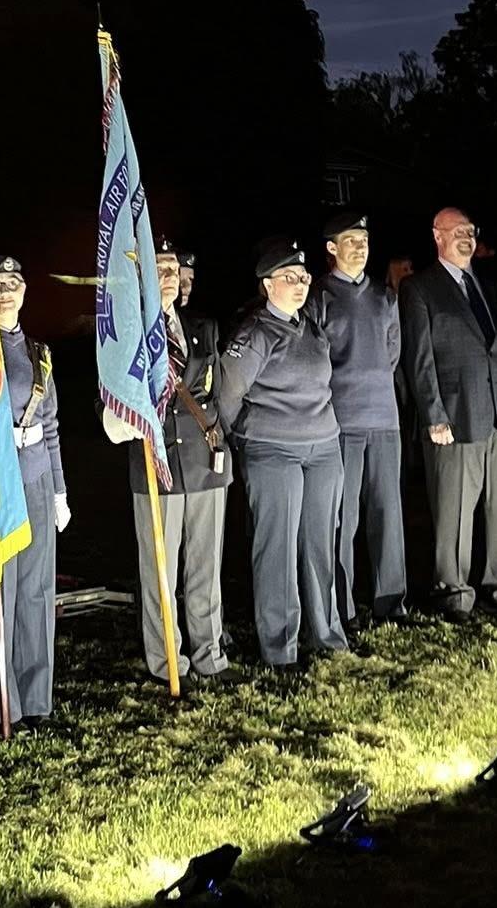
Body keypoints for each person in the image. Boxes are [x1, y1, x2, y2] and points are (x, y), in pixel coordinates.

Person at [401, 208, 497, 618]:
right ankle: (454, 591)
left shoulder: (495, 288)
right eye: (457, 231)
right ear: (437, 236)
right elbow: (419, 358)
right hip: (455, 416)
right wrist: (433, 413)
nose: (466, 237)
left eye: (470, 230)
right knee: (454, 512)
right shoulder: (420, 289)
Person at [220, 242, 347, 670]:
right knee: (277, 550)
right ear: (267, 285)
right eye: (290, 278)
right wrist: (246, 439)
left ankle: (327, 634)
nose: (300, 284)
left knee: (319, 545)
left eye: (304, 277)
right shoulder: (254, 333)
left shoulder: (309, 325)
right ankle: (280, 646)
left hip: (323, 447)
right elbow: (228, 395)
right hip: (273, 450)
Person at [131, 241, 232, 682]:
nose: (169, 275)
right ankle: (168, 660)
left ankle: (210, 655)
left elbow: (219, 393)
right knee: (161, 573)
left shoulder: (202, 326)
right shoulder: (128, 333)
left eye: (172, 267)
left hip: (204, 459)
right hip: (157, 461)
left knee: (206, 567)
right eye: (159, 268)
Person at [0, 254, 68, 726]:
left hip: (34, 477)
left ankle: (36, 700)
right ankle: (3, 704)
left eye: (14, 282)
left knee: (37, 590)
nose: (7, 291)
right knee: (2, 593)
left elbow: (50, 425)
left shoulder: (38, 352)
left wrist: (59, 490)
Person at [316, 212, 407, 625]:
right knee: (343, 520)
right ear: (332, 248)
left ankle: (391, 602)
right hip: (341, 424)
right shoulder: (320, 298)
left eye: (364, 239)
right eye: (350, 239)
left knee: (388, 514)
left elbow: (391, 355)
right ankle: (343, 606)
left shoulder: (384, 297)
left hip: (384, 420)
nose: (360, 246)